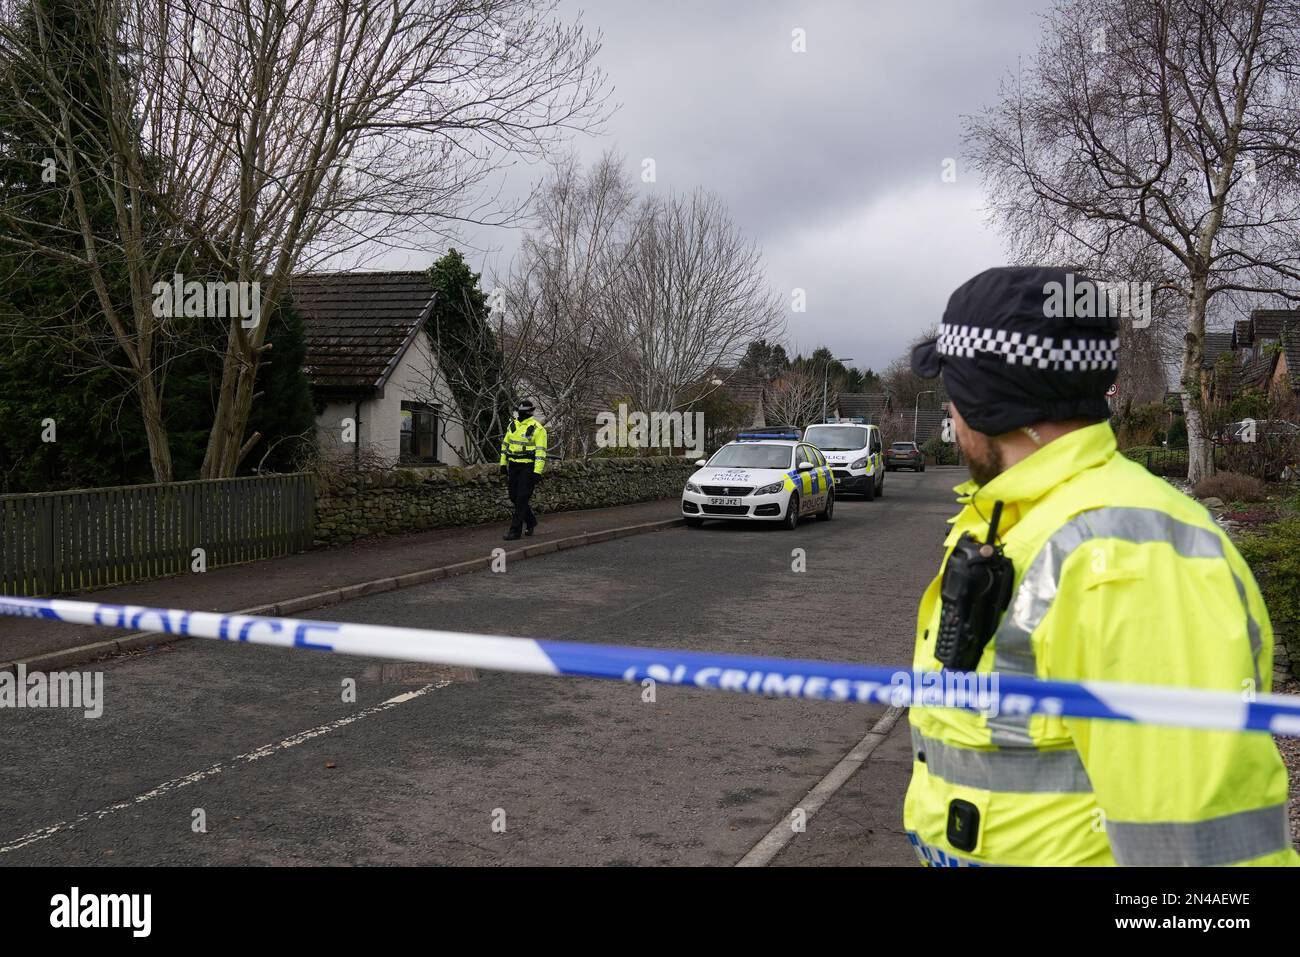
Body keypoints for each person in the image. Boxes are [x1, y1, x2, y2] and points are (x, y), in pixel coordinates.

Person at [903, 265, 1298, 867]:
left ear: (986, 396)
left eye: (952, 392)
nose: (949, 417)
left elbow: (1195, 854)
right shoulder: (1019, 516)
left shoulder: (1132, 559)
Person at [499, 399, 547, 541]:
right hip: (514, 466)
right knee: (514, 497)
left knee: (521, 499)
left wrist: (537, 472)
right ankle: (531, 521)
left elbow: (540, 452)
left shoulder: (538, 429)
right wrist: (503, 464)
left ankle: (515, 531)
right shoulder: (512, 426)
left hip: (528, 467)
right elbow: (505, 445)